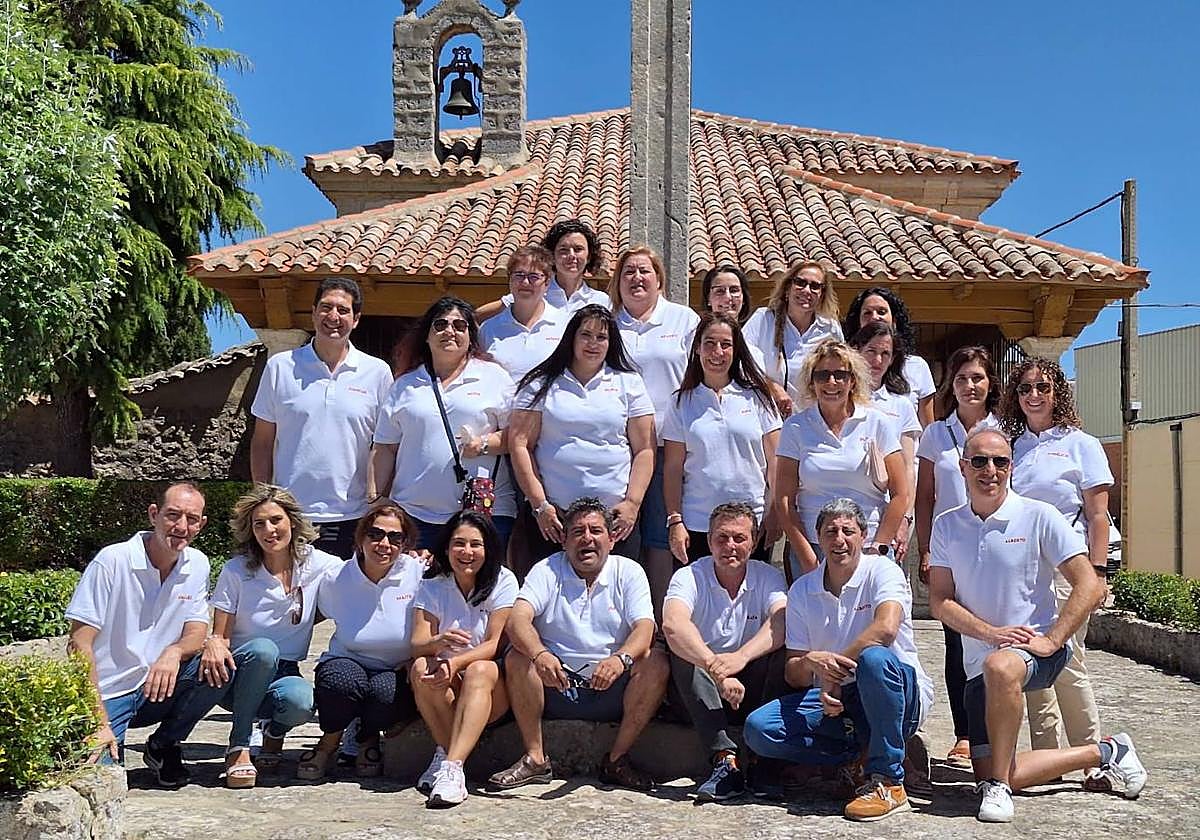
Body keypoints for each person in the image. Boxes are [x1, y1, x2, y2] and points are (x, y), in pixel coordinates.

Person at [928, 428, 1147, 822]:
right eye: (979, 461)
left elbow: (1089, 583)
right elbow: (940, 600)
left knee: (1001, 666)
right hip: (979, 662)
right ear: (963, 467)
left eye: (1000, 461)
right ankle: (1108, 751)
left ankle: (995, 791)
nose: (990, 470)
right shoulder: (946, 525)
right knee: (1003, 770)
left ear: (1011, 467)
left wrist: (1053, 639)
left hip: (1033, 654)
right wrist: (990, 633)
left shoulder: (1038, 515)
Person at [743, 498, 934, 822]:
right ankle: (856, 759)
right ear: (818, 537)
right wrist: (811, 665)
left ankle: (888, 780)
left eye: (848, 530)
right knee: (758, 729)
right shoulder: (803, 590)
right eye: (830, 531)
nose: (839, 539)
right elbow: (794, 673)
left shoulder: (883, 571)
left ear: (863, 536)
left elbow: (885, 629)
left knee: (874, 659)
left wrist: (833, 674)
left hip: (894, 690)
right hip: (835, 701)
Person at [164, 485, 342, 788]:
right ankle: (239, 746)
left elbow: (361, 574)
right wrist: (213, 644)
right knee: (263, 650)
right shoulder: (237, 571)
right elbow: (220, 636)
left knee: (301, 702)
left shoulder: (318, 565)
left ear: (293, 522)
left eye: (276, 520)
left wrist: (414, 563)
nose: (268, 530)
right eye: (259, 524)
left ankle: (273, 732)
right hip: (240, 672)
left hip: (285, 671)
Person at [489, 498, 669, 792]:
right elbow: (517, 621)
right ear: (564, 541)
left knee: (656, 662)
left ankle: (616, 759)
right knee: (518, 657)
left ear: (611, 539)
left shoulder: (629, 571)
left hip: (612, 685)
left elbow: (645, 628)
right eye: (578, 532)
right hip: (554, 686)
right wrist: (540, 654)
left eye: (596, 531)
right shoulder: (546, 569)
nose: (587, 538)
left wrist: (620, 659)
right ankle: (535, 758)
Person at [999, 357, 1114, 783]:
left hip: (1069, 567)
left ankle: (1091, 758)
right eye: (1026, 387)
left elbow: (1097, 515)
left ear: (1057, 392)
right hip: (1026, 570)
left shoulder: (1081, 443)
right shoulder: (1010, 446)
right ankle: (1047, 759)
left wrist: (1098, 574)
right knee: (1032, 663)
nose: (1034, 395)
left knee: (1069, 661)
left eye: (1042, 387)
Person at [65, 483, 210, 787]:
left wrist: (173, 653)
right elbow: (79, 643)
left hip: (156, 687)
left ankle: (164, 745)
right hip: (107, 693)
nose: (182, 526)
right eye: (173, 515)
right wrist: (97, 720)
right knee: (100, 778)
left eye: (192, 519)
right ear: (153, 515)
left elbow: (197, 632)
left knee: (219, 666)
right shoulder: (113, 561)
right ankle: (103, 734)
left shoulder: (197, 563)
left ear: (201, 524)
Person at [251, 278, 395, 558]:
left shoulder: (377, 373)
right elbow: (262, 441)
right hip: (290, 515)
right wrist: (264, 501)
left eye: (343, 310)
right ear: (314, 312)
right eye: (326, 307)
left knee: (343, 601)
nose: (333, 317)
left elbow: (385, 445)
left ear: (356, 319)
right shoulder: (280, 367)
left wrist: (378, 502)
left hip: (353, 516)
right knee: (289, 600)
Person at [509, 304, 655, 571]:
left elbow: (644, 449)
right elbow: (520, 445)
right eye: (585, 335)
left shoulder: (629, 383)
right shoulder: (540, 383)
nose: (593, 343)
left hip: (614, 522)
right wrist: (540, 505)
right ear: (571, 338)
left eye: (602, 337)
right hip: (554, 520)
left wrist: (632, 504)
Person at [369, 296, 517, 551]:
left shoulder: (496, 378)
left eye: (460, 326)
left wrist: (483, 444)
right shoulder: (404, 385)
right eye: (440, 325)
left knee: (478, 590)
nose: (450, 331)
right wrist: (375, 501)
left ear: (471, 335)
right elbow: (384, 447)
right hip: (413, 516)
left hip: (483, 515)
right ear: (427, 335)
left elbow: (517, 438)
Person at [661, 502, 787, 801]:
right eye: (721, 538)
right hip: (699, 689)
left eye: (739, 538)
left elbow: (782, 621)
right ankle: (724, 761)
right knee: (680, 653)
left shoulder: (768, 576)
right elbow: (673, 623)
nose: (730, 546)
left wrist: (740, 658)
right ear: (709, 541)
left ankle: (763, 760)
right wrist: (716, 668)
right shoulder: (689, 576)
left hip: (748, 684)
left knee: (785, 656)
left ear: (754, 542)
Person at [914, 346, 1000, 766]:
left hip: (996, 548)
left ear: (990, 384)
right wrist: (926, 548)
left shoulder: (1005, 431)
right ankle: (965, 733)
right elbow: (924, 498)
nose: (970, 386)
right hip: (951, 551)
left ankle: (998, 730)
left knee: (995, 639)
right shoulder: (935, 434)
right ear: (952, 384)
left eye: (978, 378)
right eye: (963, 378)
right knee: (956, 643)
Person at [298, 504, 424, 781]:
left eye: (395, 538)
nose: (384, 543)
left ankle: (367, 738)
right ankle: (329, 742)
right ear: (360, 537)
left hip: (395, 668)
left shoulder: (419, 574)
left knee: (386, 694)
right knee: (340, 682)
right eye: (375, 534)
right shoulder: (336, 578)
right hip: (348, 659)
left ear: (405, 544)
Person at [608, 245, 701, 609]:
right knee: (624, 536)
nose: (636, 278)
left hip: (668, 447)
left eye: (644, 271)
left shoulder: (683, 320)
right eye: (628, 272)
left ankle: (662, 624)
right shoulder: (608, 324)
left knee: (661, 539)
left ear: (659, 280)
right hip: (620, 449)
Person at [775, 339, 910, 581]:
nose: (831, 382)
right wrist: (807, 558)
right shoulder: (795, 427)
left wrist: (878, 547)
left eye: (840, 374)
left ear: (853, 380)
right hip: (814, 548)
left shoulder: (877, 423)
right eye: (822, 375)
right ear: (811, 381)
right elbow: (784, 499)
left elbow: (900, 494)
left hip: (867, 548)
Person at [409, 511, 519, 807]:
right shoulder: (432, 584)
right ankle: (448, 759)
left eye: (475, 544)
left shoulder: (503, 580)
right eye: (459, 544)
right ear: (446, 548)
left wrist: (457, 662)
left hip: (488, 687)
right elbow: (418, 644)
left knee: (480, 670)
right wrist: (438, 642)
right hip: (446, 684)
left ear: (488, 549)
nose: (466, 552)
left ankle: (451, 765)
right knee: (420, 667)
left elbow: (495, 644)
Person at [663, 312, 781, 564]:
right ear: (697, 348)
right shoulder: (680, 402)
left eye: (726, 345)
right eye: (710, 343)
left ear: (736, 350)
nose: (717, 352)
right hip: (697, 525)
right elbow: (673, 469)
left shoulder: (759, 398)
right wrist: (675, 520)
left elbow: (776, 462)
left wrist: (775, 514)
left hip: (751, 526)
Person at [848, 321, 922, 559]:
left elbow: (909, 467)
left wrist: (905, 518)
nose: (877, 361)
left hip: (884, 518)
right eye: (871, 351)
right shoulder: (839, 399)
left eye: (885, 354)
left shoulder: (901, 405)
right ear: (856, 350)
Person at [742, 261, 842, 413]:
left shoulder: (831, 329)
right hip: (767, 417)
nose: (807, 290)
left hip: (813, 422)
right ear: (788, 289)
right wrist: (772, 387)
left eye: (815, 286)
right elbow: (741, 362)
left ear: (822, 295)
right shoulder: (764, 319)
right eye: (800, 283)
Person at [476, 219, 611, 320]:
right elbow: (477, 316)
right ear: (552, 255)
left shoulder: (601, 301)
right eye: (563, 250)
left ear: (589, 256)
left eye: (578, 249)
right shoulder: (535, 290)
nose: (571, 256)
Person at [842, 287, 935, 427]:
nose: (874, 317)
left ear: (894, 321)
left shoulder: (917, 367)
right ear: (858, 322)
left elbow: (928, 428)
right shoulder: (844, 366)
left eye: (881, 312)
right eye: (867, 313)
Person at [478, 245, 567, 381]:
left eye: (534, 276)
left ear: (547, 282)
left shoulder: (565, 324)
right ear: (509, 279)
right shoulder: (488, 329)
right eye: (519, 275)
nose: (525, 282)